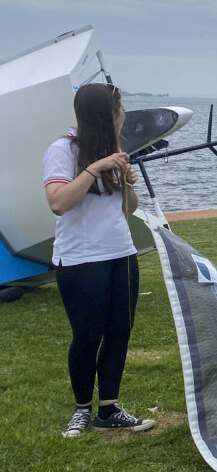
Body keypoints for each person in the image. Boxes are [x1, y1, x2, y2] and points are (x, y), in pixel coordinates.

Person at [43, 83, 156, 438]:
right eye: (120, 110)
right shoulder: (63, 149)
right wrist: (95, 169)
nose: (123, 116)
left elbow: (129, 209)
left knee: (119, 332)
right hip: (80, 259)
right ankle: (81, 411)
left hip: (120, 254)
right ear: (106, 115)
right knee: (87, 335)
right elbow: (58, 202)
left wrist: (128, 183)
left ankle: (109, 409)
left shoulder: (114, 151)